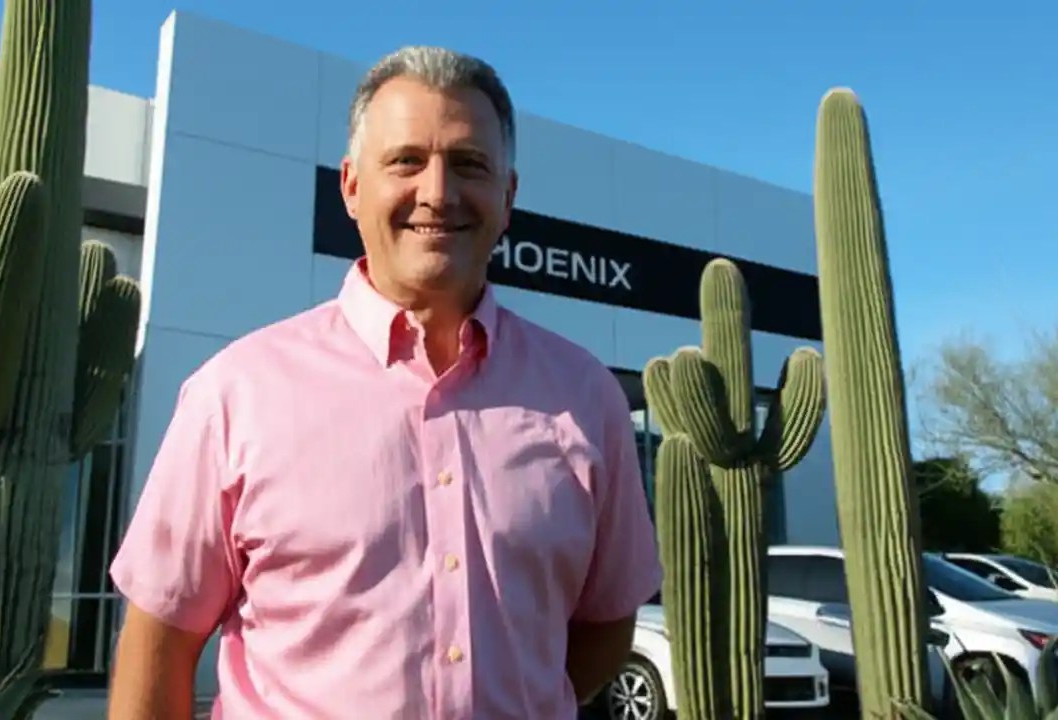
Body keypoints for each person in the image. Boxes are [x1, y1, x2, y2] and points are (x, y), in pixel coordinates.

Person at [106, 45, 662, 719]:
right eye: (406, 161)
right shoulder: (235, 394)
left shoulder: (586, 397)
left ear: (508, 198)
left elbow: (605, 625)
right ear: (351, 186)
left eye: (470, 164)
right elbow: (160, 642)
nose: (438, 193)